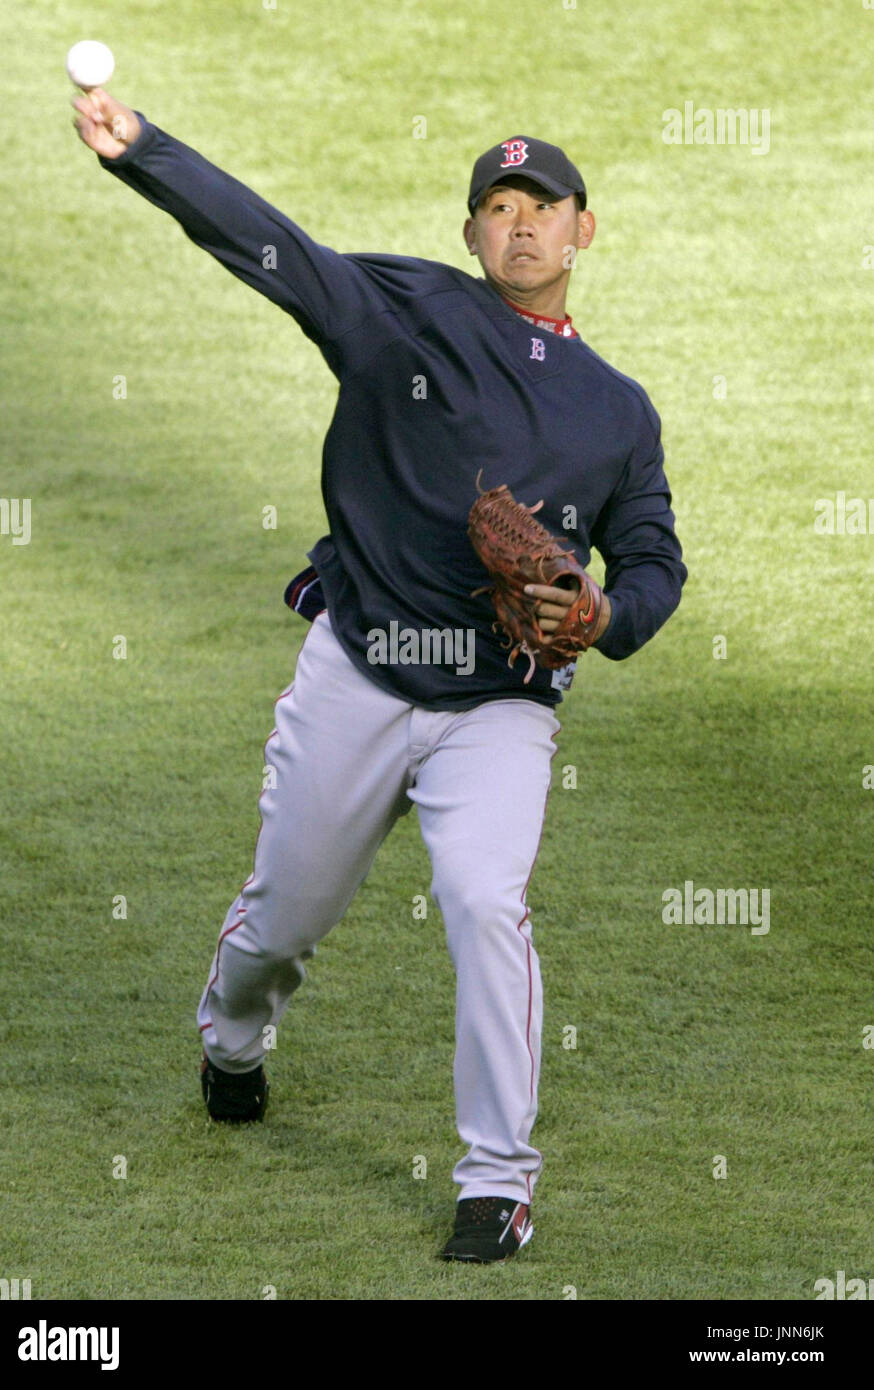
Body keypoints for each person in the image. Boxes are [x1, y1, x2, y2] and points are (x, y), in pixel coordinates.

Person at [73, 92, 687, 1264]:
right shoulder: (401, 312)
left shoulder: (617, 412)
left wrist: (606, 610)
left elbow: (654, 560)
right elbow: (274, 248)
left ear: (583, 231)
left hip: (499, 706)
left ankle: (496, 1183)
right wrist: (143, 153)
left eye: (541, 208)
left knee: (482, 901)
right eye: (496, 208)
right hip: (359, 668)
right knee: (279, 923)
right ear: (470, 233)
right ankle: (233, 1042)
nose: (519, 227)